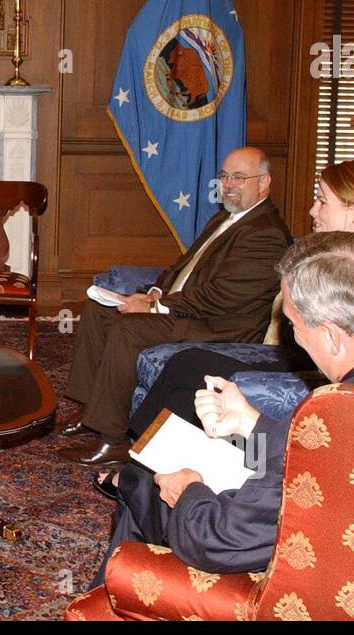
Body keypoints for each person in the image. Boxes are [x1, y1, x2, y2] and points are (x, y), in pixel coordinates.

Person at [91, 231, 354, 582]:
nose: (292, 337)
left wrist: (188, 490)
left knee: (143, 485)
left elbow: (219, 542)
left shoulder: (331, 416)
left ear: (332, 338)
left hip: (305, 584)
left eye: (292, 324)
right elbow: (307, 461)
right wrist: (252, 425)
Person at [120, 158, 354, 449]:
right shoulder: (331, 252)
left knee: (194, 373)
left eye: (323, 201)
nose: (313, 209)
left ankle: (139, 464)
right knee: (187, 364)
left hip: (312, 370)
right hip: (291, 356)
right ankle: (139, 455)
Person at [58, 146, 292, 466]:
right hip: (187, 309)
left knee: (130, 327)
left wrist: (158, 308)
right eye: (224, 176)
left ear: (264, 183)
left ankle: (113, 439)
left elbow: (224, 296)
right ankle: (91, 411)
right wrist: (153, 294)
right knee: (100, 309)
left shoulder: (267, 234)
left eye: (239, 177)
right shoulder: (225, 217)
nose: (229, 184)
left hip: (219, 326)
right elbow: (183, 268)